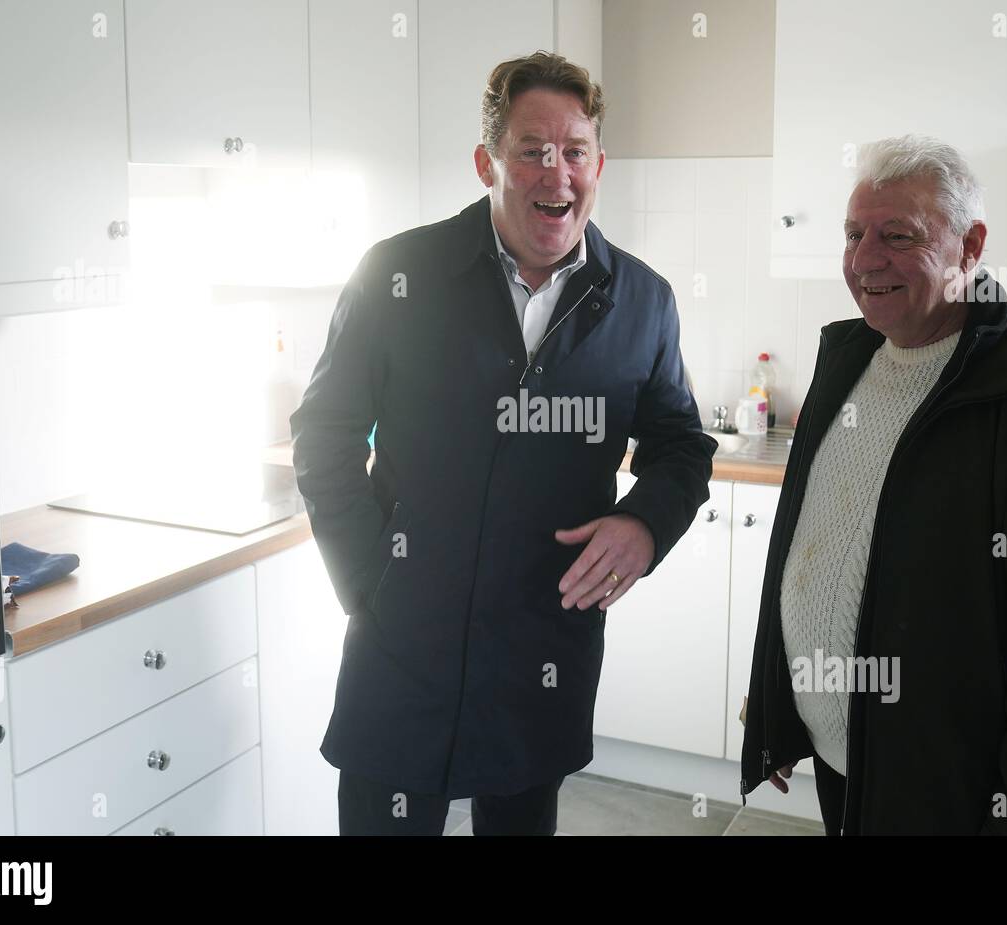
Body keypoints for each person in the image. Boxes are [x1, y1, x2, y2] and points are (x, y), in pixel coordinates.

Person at [291, 51, 716, 836]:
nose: (556, 174)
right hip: (401, 646)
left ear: (598, 164)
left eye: (575, 151)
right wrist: (370, 580)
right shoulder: (397, 274)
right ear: (488, 162)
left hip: (540, 652)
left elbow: (682, 447)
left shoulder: (642, 302)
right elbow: (324, 433)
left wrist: (645, 522)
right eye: (531, 150)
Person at [740, 135, 1007, 835]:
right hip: (848, 770)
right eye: (854, 234)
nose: (866, 259)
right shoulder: (848, 362)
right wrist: (779, 699)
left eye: (898, 236)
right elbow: (810, 548)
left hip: (954, 796)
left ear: (970, 244)